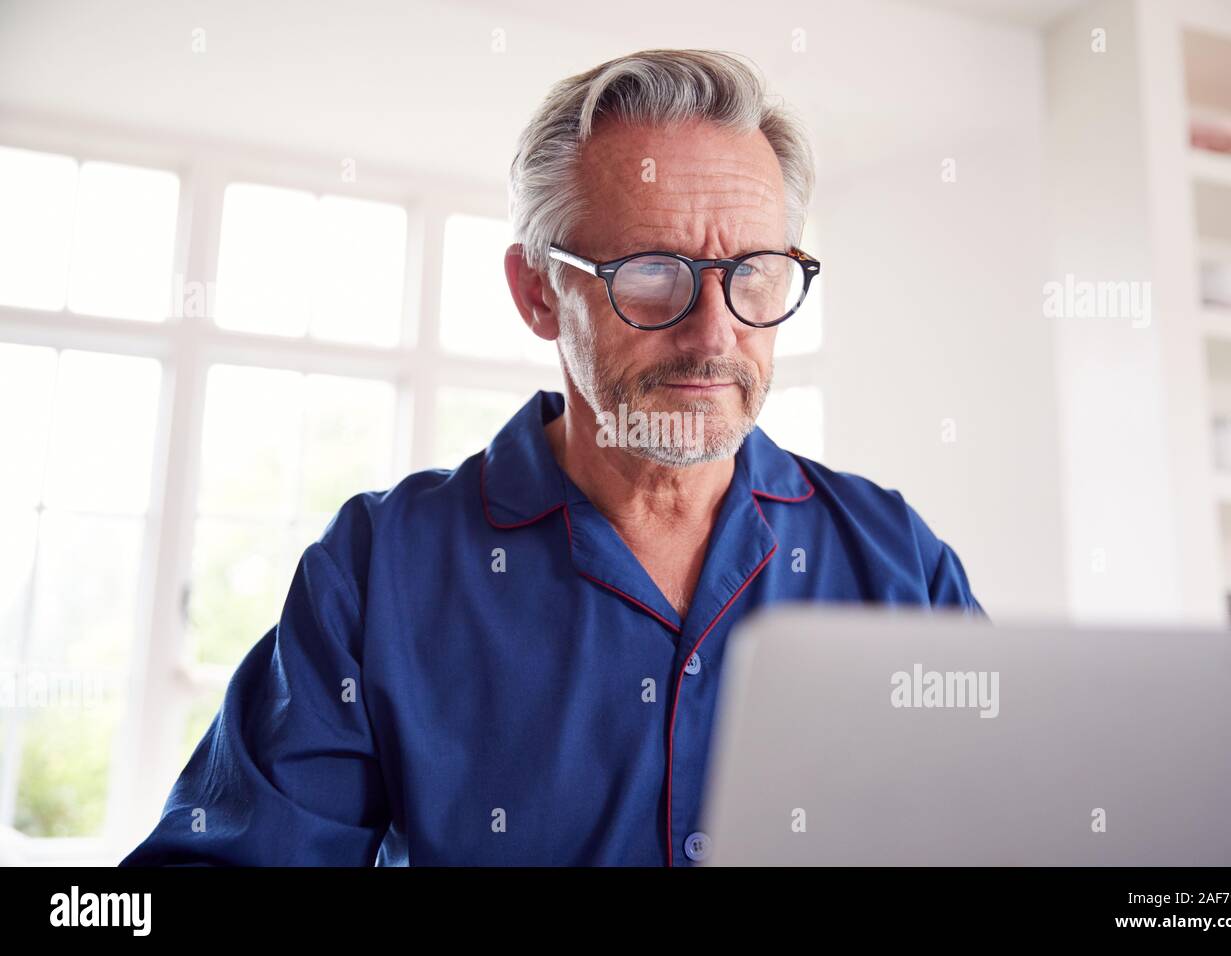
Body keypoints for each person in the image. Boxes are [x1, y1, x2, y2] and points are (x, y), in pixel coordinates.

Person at [122, 48, 981, 868]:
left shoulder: (897, 558)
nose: (715, 334)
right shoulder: (380, 571)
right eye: (653, 271)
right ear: (538, 291)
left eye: (753, 271)